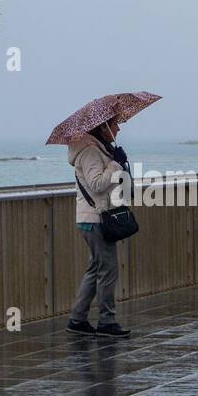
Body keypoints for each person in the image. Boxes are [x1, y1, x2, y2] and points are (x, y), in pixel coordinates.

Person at [66, 118, 132, 338]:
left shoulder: (98, 149)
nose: (118, 128)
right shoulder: (90, 152)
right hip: (96, 219)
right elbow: (96, 185)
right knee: (108, 270)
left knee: (96, 269)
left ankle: (77, 318)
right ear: (103, 127)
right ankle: (106, 321)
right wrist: (115, 164)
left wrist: (117, 160)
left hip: (93, 218)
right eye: (115, 125)